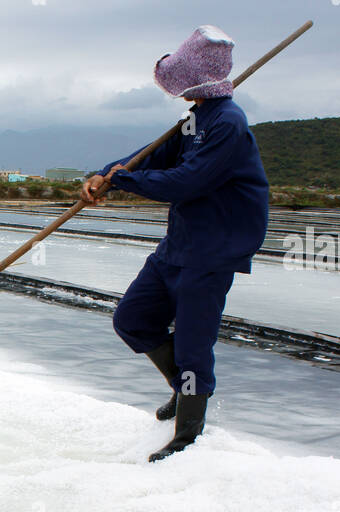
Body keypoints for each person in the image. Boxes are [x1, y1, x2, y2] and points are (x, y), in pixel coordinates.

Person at [81, 25, 269, 462]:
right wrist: (107, 174)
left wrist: (124, 180)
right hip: (179, 244)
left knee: (191, 346)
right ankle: (181, 391)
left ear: (195, 81)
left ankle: (188, 434)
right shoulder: (195, 118)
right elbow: (154, 156)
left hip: (213, 251)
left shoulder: (228, 124)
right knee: (133, 319)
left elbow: (188, 181)